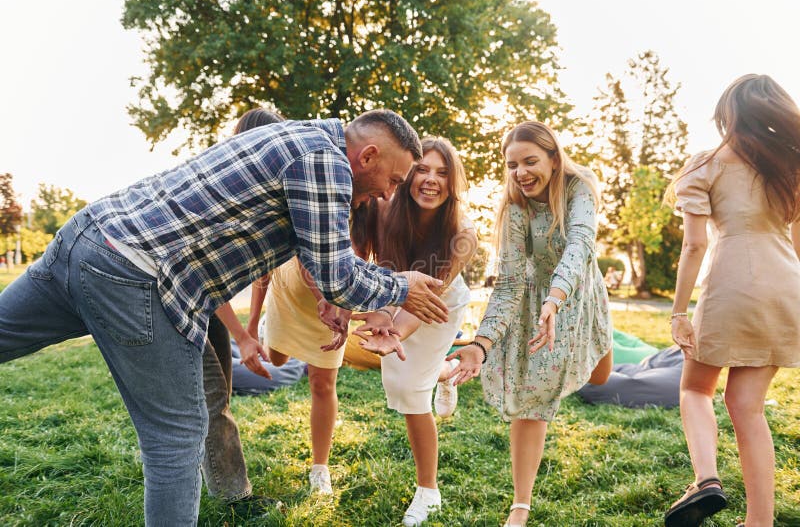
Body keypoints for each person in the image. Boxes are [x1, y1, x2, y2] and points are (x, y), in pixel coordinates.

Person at [0, 109, 450, 526]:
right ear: (367, 155)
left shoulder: (298, 136)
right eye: (392, 179)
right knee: (177, 437)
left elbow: (321, 266)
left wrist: (341, 295)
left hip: (85, 236)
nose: (390, 193)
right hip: (136, 274)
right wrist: (402, 286)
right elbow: (337, 275)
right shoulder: (326, 162)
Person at [446, 121, 613, 527]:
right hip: (535, 308)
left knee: (601, 377)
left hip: (579, 297)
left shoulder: (580, 187)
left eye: (531, 161)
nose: (521, 172)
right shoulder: (515, 207)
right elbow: (507, 283)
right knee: (530, 398)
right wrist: (481, 345)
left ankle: (570, 364)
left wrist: (556, 299)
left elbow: (580, 243)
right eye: (512, 164)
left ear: (554, 159)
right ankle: (520, 506)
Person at [663, 74, 800, 527]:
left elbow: (694, 247)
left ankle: (706, 479)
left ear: (728, 116)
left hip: (730, 286)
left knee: (695, 389)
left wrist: (680, 311)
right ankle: (759, 521)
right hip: (785, 287)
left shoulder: (707, 164)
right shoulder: (792, 167)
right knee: (748, 406)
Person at [352, 137, 477, 526]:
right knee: (405, 380)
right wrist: (378, 312)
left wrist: (394, 331)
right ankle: (443, 374)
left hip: (440, 302)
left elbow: (426, 302)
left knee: (411, 392)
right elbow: (366, 260)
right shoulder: (384, 207)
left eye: (442, 172)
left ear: (453, 181)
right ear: (407, 174)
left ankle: (429, 492)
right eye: (422, 169)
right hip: (395, 287)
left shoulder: (462, 234)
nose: (430, 180)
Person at [200, 107, 286, 508]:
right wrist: (241, 335)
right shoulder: (222, 192)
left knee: (219, 393)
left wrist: (250, 329)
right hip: (182, 300)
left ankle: (216, 482)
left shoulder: (262, 196)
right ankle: (233, 497)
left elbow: (261, 271)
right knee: (211, 397)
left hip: (205, 301)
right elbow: (205, 279)